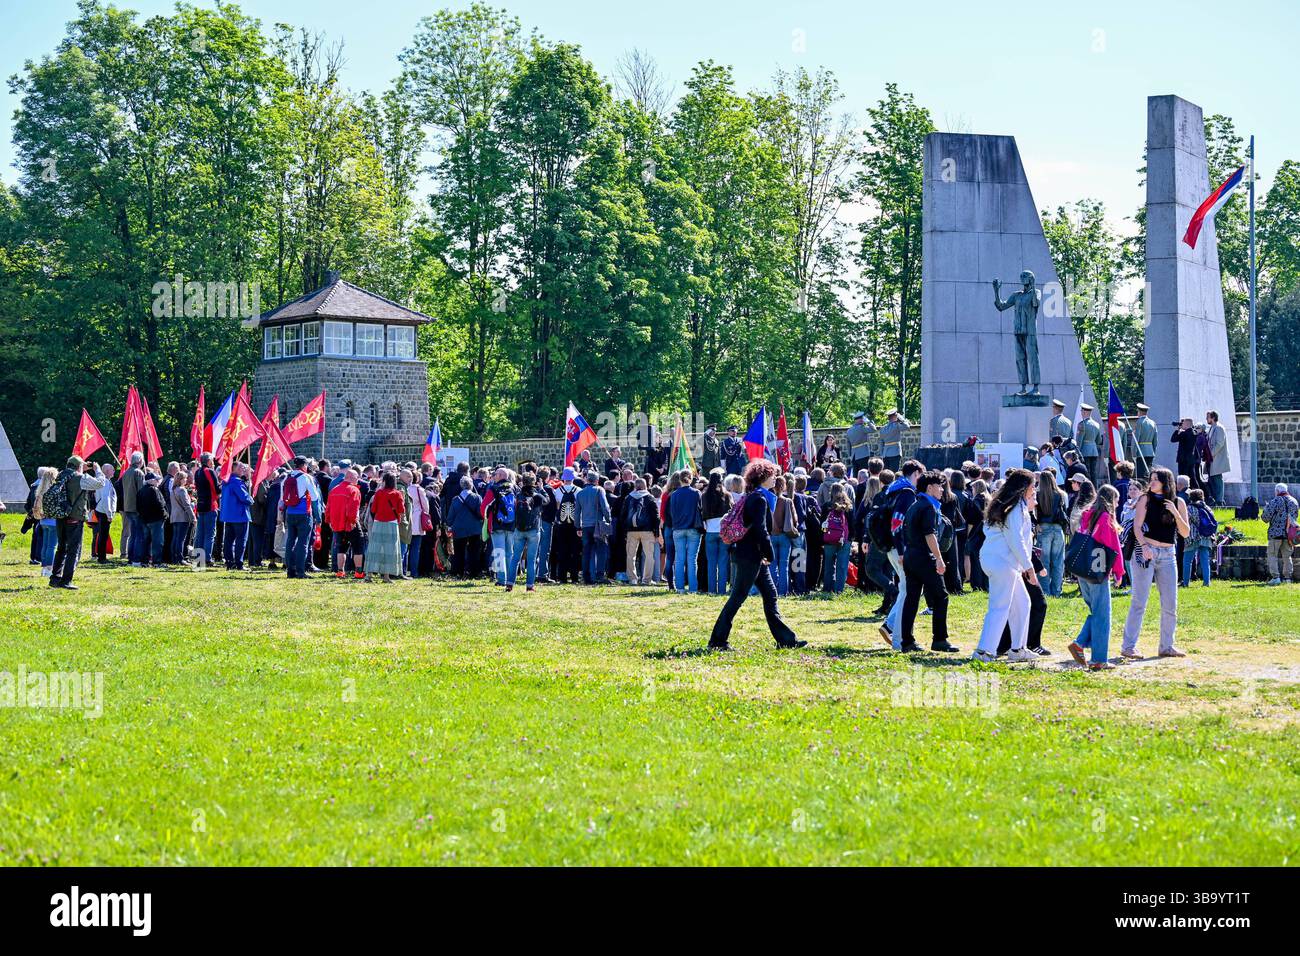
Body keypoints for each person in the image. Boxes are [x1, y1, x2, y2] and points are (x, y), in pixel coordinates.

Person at [708, 460, 806, 651]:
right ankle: (717, 641)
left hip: (753, 555)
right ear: (762, 477)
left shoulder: (755, 496)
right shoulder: (759, 499)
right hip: (751, 555)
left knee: (770, 595)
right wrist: (769, 553)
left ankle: (786, 640)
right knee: (737, 598)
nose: (775, 478)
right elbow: (761, 530)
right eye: (772, 475)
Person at [1120, 467, 1191, 659]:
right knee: (1139, 601)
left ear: (1165, 482)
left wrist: (1175, 513)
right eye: (1150, 479)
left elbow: (1185, 533)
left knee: (1170, 603)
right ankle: (1128, 646)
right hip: (1145, 551)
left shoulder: (1179, 502)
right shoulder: (1145, 499)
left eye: (1155, 480)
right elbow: (1136, 526)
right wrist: (1144, 546)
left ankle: (1167, 645)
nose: (1151, 483)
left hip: (1168, 553)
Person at [972, 468, 1041, 662]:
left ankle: (1018, 649)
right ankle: (984, 651)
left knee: (1023, 603)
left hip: (1001, 561)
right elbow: (1015, 539)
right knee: (999, 607)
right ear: (1024, 487)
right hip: (1002, 562)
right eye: (1032, 486)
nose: (1034, 489)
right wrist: (1029, 568)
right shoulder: (1015, 507)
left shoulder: (1007, 504)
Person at [895, 470, 959, 653]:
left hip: (911, 556)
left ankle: (907, 642)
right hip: (924, 556)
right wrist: (939, 559)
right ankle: (939, 639)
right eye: (940, 486)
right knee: (941, 596)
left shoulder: (915, 505)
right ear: (930, 487)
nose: (942, 490)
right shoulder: (928, 507)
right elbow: (929, 534)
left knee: (912, 598)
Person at [1066, 483, 1126, 670]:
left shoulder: (1086, 515)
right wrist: (1119, 571)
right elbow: (1113, 547)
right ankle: (1098, 659)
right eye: (1116, 500)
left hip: (1082, 570)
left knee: (1097, 613)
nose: (1117, 504)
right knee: (1102, 616)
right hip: (1098, 572)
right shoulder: (1106, 518)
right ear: (1110, 500)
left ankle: (1080, 643)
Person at [48, 456, 110, 590]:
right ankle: (66, 581)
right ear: (78, 467)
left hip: (61, 517)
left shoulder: (60, 475)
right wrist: (98, 469)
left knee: (61, 548)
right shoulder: (80, 478)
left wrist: (82, 467)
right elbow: (100, 483)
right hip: (75, 518)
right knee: (73, 551)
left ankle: (55, 578)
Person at [879, 460, 922, 648]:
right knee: (909, 593)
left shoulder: (893, 490)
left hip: (891, 547)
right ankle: (899, 638)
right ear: (916, 474)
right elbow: (897, 522)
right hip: (900, 548)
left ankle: (891, 627)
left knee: (906, 591)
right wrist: (903, 550)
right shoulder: (906, 493)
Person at [507, 473, 549, 592]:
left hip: (519, 529)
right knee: (531, 559)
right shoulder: (537, 496)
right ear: (534, 482)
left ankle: (510, 584)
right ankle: (530, 586)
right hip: (533, 530)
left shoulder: (518, 495)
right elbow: (547, 501)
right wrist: (541, 488)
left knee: (515, 558)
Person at [281, 456, 316, 580]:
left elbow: (282, 499)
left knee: (290, 541)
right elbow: (315, 497)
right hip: (304, 513)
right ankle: (301, 571)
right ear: (304, 465)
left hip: (290, 513)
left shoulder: (287, 477)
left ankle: (290, 571)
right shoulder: (307, 477)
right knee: (303, 543)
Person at [1035, 470, 1069, 596]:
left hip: (1043, 528)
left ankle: (1045, 591)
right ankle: (1056, 591)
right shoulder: (1060, 494)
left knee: (1044, 562)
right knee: (1058, 562)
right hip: (1057, 528)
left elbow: (1033, 512)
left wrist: (1036, 524)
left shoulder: (1038, 495)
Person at [668, 469, 703, 593]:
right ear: (690, 478)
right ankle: (693, 588)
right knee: (692, 560)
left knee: (679, 559)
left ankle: (680, 588)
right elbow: (700, 510)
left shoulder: (674, 494)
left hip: (678, 528)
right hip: (693, 527)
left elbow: (672, 513)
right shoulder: (696, 493)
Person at [326, 468, 365, 580]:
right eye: (357, 477)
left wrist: (329, 521)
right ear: (351, 478)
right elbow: (354, 508)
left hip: (337, 524)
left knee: (341, 548)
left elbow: (328, 507)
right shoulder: (354, 490)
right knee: (358, 546)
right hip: (350, 523)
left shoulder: (334, 489)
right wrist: (353, 521)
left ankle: (340, 572)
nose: (358, 480)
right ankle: (358, 572)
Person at [366, 472, 404, 583]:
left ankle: (369, 575)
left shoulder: (379, 493)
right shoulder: (397, 494)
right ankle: (386, 577)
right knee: (389, 550)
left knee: (374, 549)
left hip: (378, 523)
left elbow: (373, 509)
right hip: (392, 524)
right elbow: (401, 510)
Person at [577, 470, 613, 585]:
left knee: (587, 552)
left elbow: (577, 513)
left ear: (587, 480)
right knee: (601, 550)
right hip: (598, 525)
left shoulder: (580, 493)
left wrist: (578, 527)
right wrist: (609, 520)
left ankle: (586, 577)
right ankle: (599, 575)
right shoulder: (599, 490)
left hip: (585, 526)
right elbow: (605, 507)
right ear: (597, 481)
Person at [1261, 483, 1298, 585]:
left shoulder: (1274, 501)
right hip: (1289, 534)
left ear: (1277, 491)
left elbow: (1265, 518)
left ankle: (1276, 577)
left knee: (1272, 555)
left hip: (1275, 533)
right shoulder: (1294, 501)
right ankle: (1288, 579)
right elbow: (1295, 517)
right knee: (1287, 556)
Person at [549, 469, 581, 583]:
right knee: (575, 551)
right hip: (574, 524)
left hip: (561, 525)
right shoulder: (578, 490)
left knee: (562, 550)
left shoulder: (557, 491)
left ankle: (561, 576)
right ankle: (574, 577)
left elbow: (557, 508)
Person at [700, 471, 730, 594]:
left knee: (711, 563)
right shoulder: (726, 495)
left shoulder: (705, 496)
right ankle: (722, 589)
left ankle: (712, 590)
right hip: (723, 531)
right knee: (722, 562)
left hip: (710, 531)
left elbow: (702, 513)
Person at [219, 462, 253, 570]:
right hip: (239, 515)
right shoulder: (237, 482)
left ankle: (229, 562)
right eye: (241, 468)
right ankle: (239, 563)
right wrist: (251, 499)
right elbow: (244, 497)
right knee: (241, 540)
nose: (243, 469)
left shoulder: (226, 481)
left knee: (228, 540)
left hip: (229, 515)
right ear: (234, 469)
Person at [821, 484, 853, 594]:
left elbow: (822, 524)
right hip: (844, 539)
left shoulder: (827, 506)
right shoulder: (848, 506)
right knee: (842, 565)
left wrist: (823, 537)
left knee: (828, 564)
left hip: (829, 539)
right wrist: (850, 538)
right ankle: (839, 589)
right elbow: (852, 524)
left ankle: (827, 587)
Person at [193, 453, 222, 564]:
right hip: (210, 505)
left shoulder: (197, 472)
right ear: (209, 461)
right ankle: (207, 559)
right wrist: (222, 483)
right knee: (209, 534)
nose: (213, 462)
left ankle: (198, 559)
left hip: (200, 505)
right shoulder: (209, 471)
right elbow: (217, 489)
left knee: (200, 534)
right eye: (212, 460)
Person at [136, 471, 169, 567]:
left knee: (146, 541)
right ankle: (157, 562)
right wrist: (165, 515)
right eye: (157, 480)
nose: (158, 481)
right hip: (156, 520)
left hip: (145, 520)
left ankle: (144, 561)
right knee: (158, 542)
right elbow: (160, 504)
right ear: (152, 481)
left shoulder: (141, 491)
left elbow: (138, 507)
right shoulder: (154, 490)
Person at [32, 467, 58, 577]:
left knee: (45, 545)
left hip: (43, 521)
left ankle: (44, 568)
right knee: (52, 546)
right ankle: (49, 568)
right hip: (53, 521)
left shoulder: (40, 490)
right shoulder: (54, 491)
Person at [120, 451, 145, 566]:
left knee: (133, 534)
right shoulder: (138, 472)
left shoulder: (126, 473)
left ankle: (131, 558)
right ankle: (136, 559)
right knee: (138, 534)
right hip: (136, 507)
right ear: (140, 461)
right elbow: (141, 492)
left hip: (128, 507)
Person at [91, 462, 117, 563]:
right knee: (103, 535)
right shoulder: (105, 481)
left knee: (102, 535)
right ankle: (102, 558)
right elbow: (106, 499)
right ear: (106, 471)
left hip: (101, 510)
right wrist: (109, 514)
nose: (114, 471)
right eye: (112, 469)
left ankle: (101, 556)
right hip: (104, 511)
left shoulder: (105, 481)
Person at [170, 468, 196, 564]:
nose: (186, 480)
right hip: (182, 517)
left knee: (176, 538)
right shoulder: (182, 490)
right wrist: (193, 517)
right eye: (184, 478)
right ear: (180, 479)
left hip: (174, 517)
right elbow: (186, 505)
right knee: (181, 539)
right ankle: (179, 558)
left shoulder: (173, 490)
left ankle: (174, 557)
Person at [1204, 410, 1229, 506]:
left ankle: (1219, 501)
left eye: (1208, 417)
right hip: (1211, 459)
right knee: (1212, 479)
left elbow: (1219, 443)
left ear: (1213, 417)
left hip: (1216, 459)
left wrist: (1210, 454)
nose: (1206, 419)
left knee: (1217, 479)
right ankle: (1215, 500)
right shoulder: (1212, 428)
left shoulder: (1219, 428)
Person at [1130, 403, 1158, 479]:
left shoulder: (1139, 422)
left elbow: (1136, 439)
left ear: (1139, 412)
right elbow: (1155, 441)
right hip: (1150, 452)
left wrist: (1134, 453)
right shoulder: (1153, 423)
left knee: (1140, 476)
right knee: (1148, 475)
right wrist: (1153, 452)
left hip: (1141, 452)